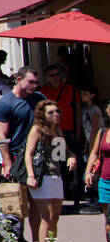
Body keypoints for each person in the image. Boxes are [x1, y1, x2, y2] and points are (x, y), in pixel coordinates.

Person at [0, 65, 43, 242]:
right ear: (19, 80)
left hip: (37, 158)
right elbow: (2, 135)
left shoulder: (38, 99)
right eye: (31, 82)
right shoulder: (6, 103)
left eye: (37, 83)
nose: (35, 86)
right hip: (16, 158)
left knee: (36, 203)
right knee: (17, 204)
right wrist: (7, 162)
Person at [25, 99, 78, 242]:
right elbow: (28, 154)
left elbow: (64, 153)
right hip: (41, 177)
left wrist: (71, 158)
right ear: (43, 115)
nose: (56, 115)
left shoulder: (57, 130)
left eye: (57, 111)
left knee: (54, 217)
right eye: (51, 112)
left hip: (56, 176)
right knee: (46, 217)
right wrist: (30, 175)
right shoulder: (37, 129)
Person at [39, 65, 80, 203]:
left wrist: (78, 131)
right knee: (58, 162)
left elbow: (78, 111)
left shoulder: (70, 89)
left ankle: (72, 191)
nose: (55, 77)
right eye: (52, 75)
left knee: (70, 160)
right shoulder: (43, 91)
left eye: (57, 74)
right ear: (46, 77)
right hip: (54, 133)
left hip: (68, 130)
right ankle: (61, 190)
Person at [83, 110, 110, 242]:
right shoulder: (103, 132)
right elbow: (94, 153)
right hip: (105, 182)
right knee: (108, 220)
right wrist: (88, 172)